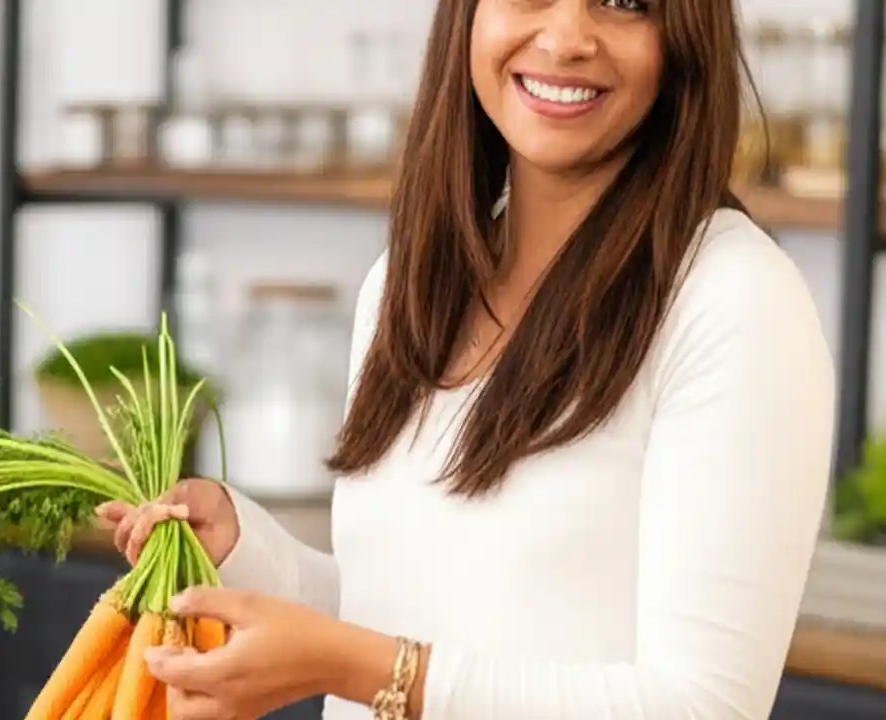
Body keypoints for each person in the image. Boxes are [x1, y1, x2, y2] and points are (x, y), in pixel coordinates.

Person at [96, 0, 836, 717]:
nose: (568, 35)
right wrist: (250, 554)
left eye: (624, 1)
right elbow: (413, 612)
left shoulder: (733, 297)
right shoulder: (407, 284)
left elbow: (700, 708)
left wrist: (346, 666)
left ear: (684, 35)